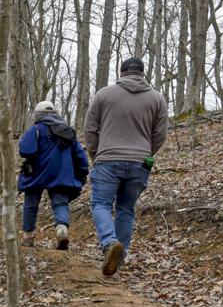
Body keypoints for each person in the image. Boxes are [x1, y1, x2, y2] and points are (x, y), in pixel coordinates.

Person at [84, 57, 168, 275]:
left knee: (101, 204)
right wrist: (146, 153)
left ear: (121, 73)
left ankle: (110, 243)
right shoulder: (157, 98)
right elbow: (160, 134)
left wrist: (96, 154)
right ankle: (118, 260)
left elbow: (90, 129)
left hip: (108, 159)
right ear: (142, 73)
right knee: (126, 209)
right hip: (140, 163)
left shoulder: (104, 94)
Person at [18, 102, 90, 250]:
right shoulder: (67, 131)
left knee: (31, 204)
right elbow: (80, 156)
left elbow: (26, 150)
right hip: (62, 173)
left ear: (38, 115)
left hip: (36, 173)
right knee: (60, 204)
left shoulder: (36, 130)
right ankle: (62, 230)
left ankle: (28, 237)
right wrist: (82, 172)